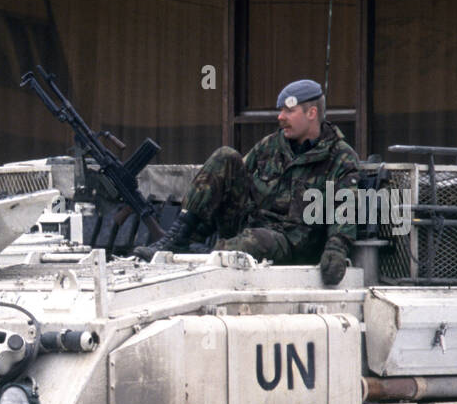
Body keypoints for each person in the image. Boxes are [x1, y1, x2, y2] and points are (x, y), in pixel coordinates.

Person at [132, 79, 360, 285]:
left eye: (289, 111)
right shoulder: (270, 146)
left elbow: (345, 209)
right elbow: (229, 185)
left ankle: (201, 253)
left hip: (294, 242)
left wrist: (336, 249)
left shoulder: (340, 156)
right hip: (250, 227)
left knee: (254, 241)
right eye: (281, 110)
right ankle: (178, 238)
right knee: (226, 157)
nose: (280, 117)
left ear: (311, 113)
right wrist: (198, 227)